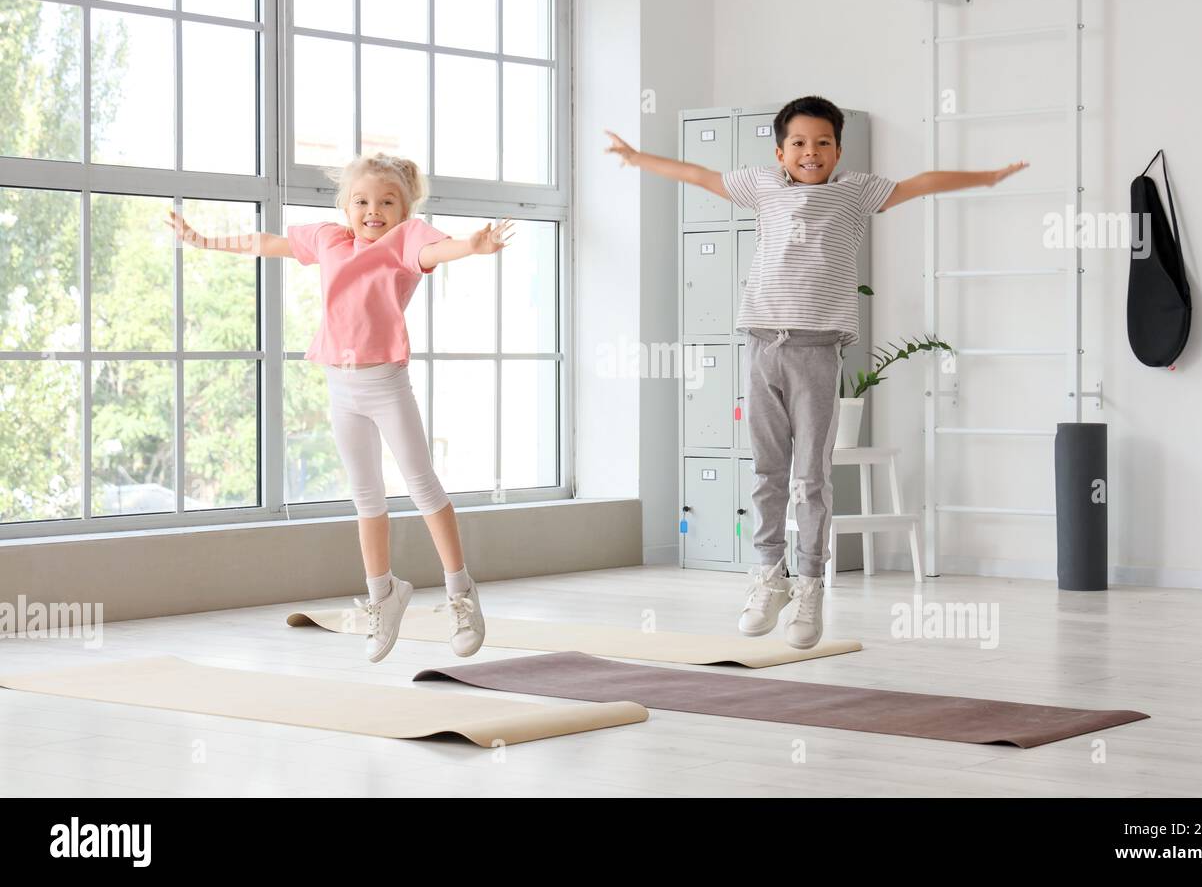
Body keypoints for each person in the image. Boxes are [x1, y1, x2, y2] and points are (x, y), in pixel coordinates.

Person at [606, 95, 1026, 648]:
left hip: (818, 351)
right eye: (799, 143)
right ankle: (768, 576)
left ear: (839, 150)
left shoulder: (854, 191)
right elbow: (700, 175)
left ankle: (809, 585)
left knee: (810, 478)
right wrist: (638, 158)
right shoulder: (761, 185)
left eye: (823, 142)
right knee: (767, 472)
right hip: (762, 346)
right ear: (780, 152)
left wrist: (986, 177)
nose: (811, 152)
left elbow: (919, 184)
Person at [166, 153, 513, 662]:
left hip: (385, 384)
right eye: (362, 201)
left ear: (404, 210)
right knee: (365, 496)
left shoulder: (406, 240)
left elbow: (438, 249)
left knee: (422, 486)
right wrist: (204, 240)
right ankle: (383, 594)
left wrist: (472, 247)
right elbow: (268, 243)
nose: (374, 211)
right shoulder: (329, 239)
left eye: (387, 202)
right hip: (340, 386)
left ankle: (461, 590)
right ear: (345, 206)